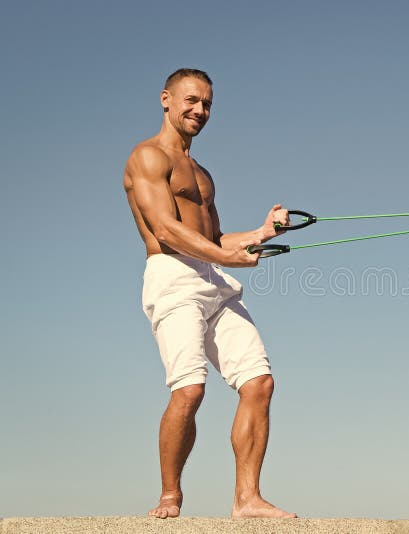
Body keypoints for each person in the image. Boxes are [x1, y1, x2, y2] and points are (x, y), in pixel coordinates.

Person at [123, 68, 296, 519]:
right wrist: (231, 259)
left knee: (259, 382)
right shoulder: (146, 156)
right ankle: (170, 495)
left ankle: (247, 499)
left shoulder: (201, 173)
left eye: (207, 105)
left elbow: (216, 239)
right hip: (172, 276)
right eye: (191, 100)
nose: (200, 110)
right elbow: (165, 229)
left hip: (211, 276)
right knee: (190, 389)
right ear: (166, 99)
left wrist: (261, 232)